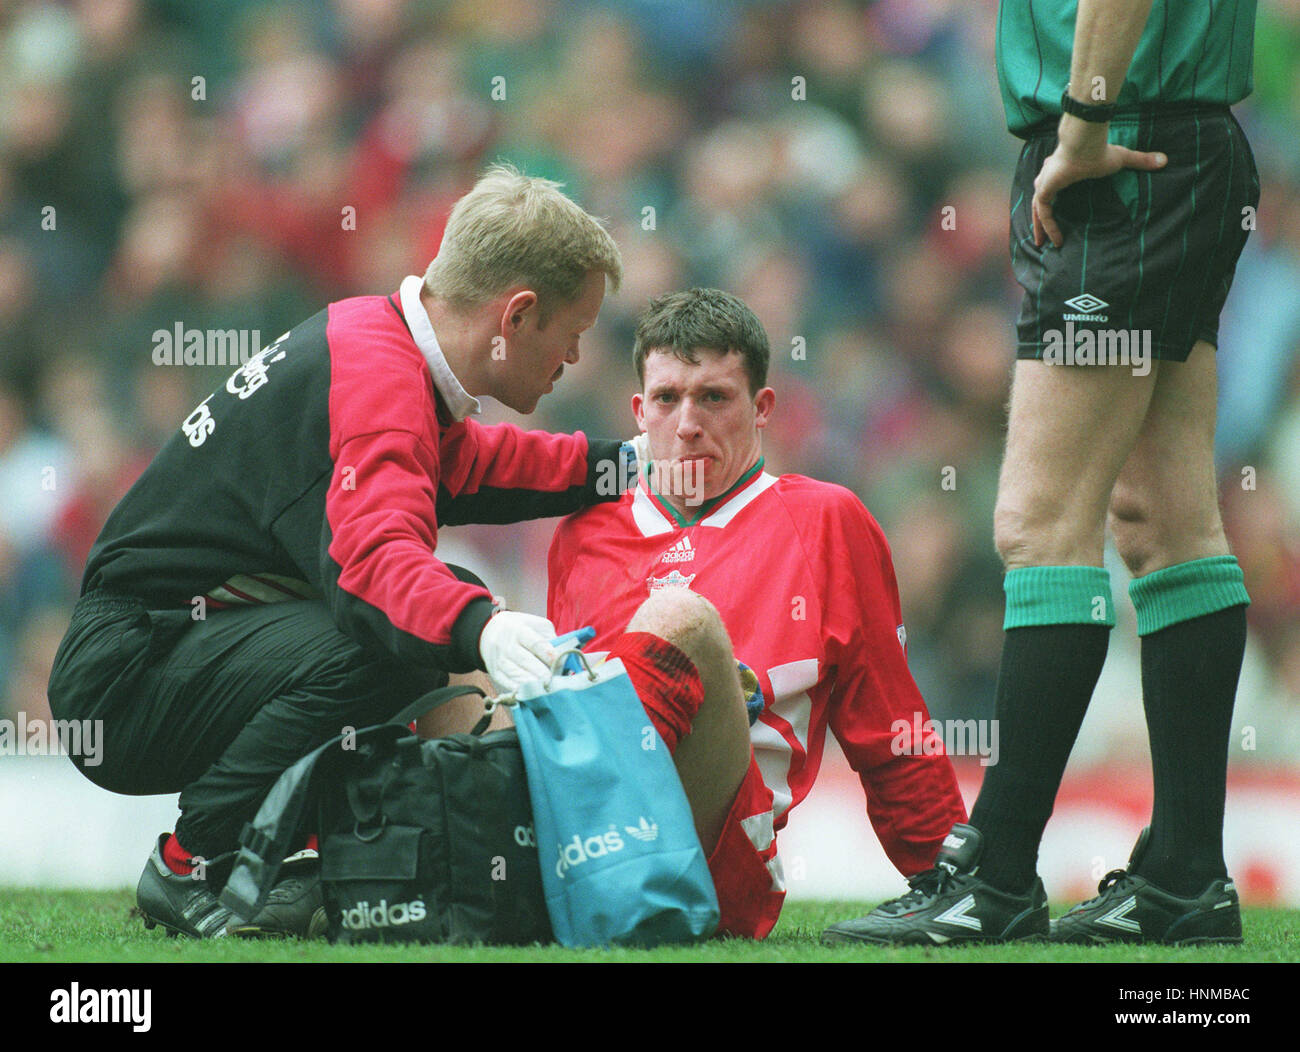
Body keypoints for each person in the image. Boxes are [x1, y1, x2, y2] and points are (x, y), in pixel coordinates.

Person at [47, 164, 628, 939]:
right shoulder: (381, 386)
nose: (576, 359)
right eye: (574, 332)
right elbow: (373, 571)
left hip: (155, 646)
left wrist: (624, 465)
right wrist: (482, 627)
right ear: (518, 315)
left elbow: (470, 468)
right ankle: (194, 864)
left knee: (427, 608)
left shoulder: (374, 342)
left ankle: (317, 860)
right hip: (126, 677)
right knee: (393, 635)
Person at [822, 0, 1259, 945]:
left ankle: (1001, 871)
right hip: (1179, 146)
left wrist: (1087, 119)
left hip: (1123, 151)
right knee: (1165, 517)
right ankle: (1185, 873)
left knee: (1039, 522)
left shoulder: (1106, 122)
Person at [546, 287, 968, 938]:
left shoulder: (823, 520)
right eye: (667, 399)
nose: (688, 422)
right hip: (576, 829)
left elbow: (889, 727)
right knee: (458, 621)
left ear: (762, 407)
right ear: (639, 411)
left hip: (711, 861)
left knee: (679, 621)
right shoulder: (584, 533)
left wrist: (953, 877)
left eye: (713, 397)